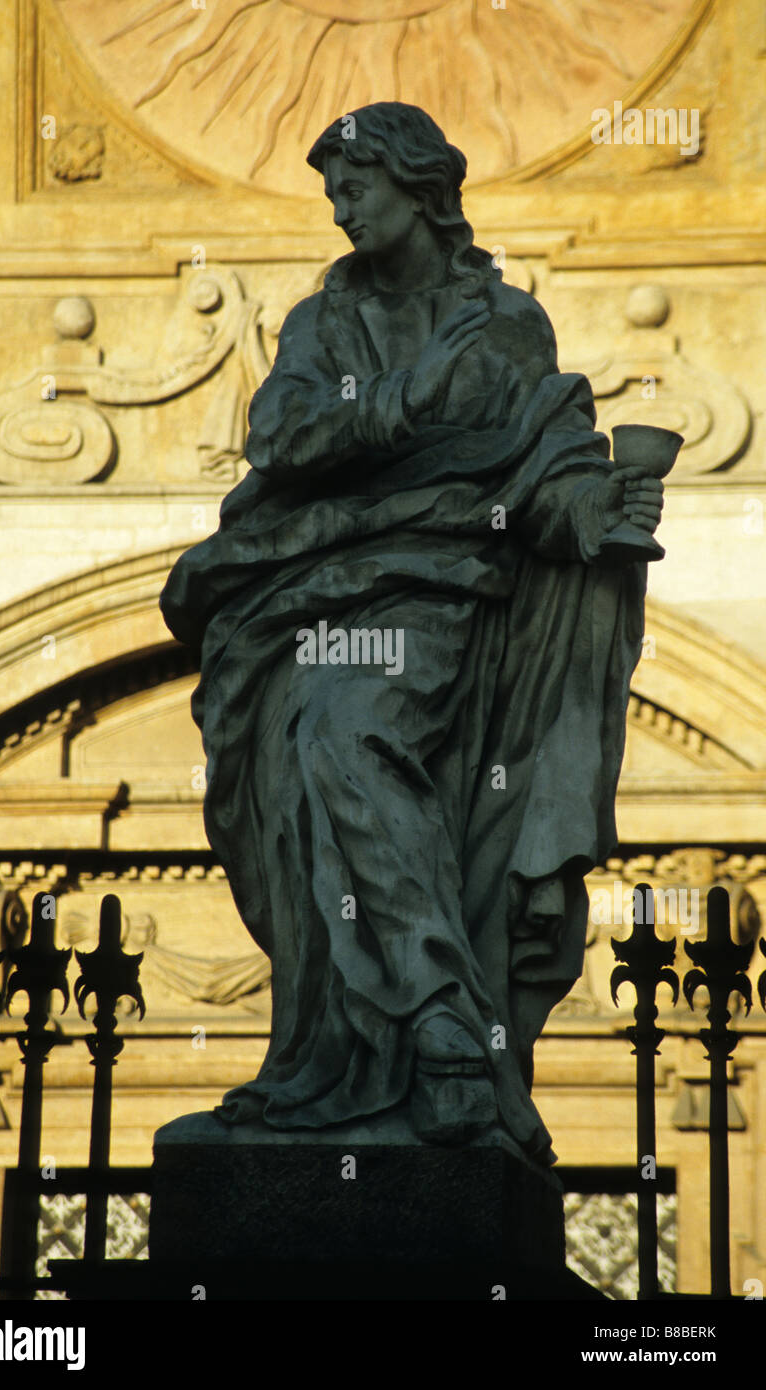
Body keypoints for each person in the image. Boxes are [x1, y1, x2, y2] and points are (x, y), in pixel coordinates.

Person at [160, 102, 663, 1162]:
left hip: (439, 593)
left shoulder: (503, 323)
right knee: (290, 776)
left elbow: (547, 460)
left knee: (346, 734)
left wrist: (597, 514)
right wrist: (407, 408)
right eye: (333, 193)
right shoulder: (321, 321)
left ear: (419, 187)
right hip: (303, 592)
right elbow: (281, 434)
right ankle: (334, 1055)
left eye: (357, 187)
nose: (341, 210)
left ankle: (438, 1019)